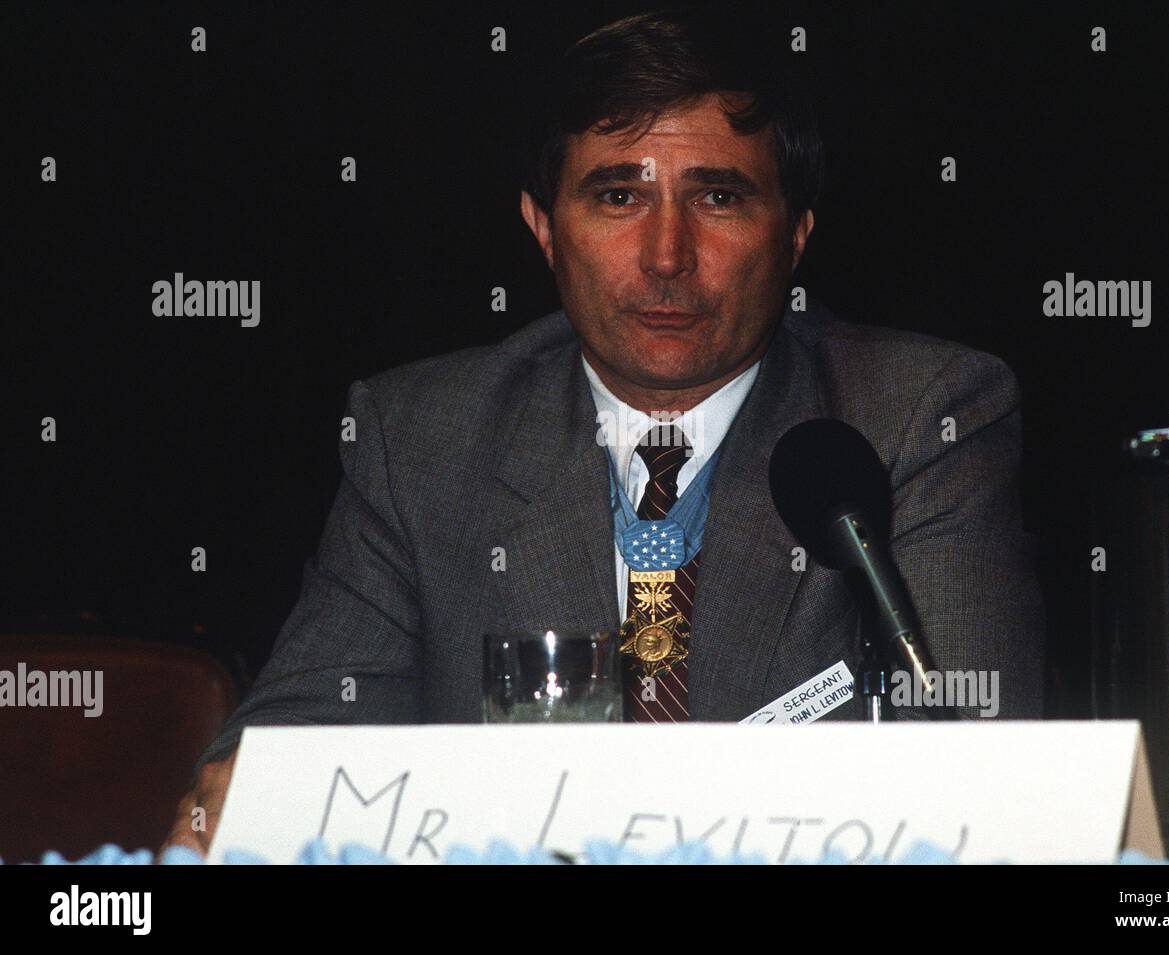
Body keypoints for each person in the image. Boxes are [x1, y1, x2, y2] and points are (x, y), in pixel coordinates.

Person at [164, 8, 1044, 856]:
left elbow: (978, 762)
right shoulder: (422, 439)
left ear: (795, 236)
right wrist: (259, 792)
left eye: (720, 197)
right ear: (543, 228)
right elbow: (291, 741)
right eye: (619, 195)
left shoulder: (920, 417)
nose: (667, 254)